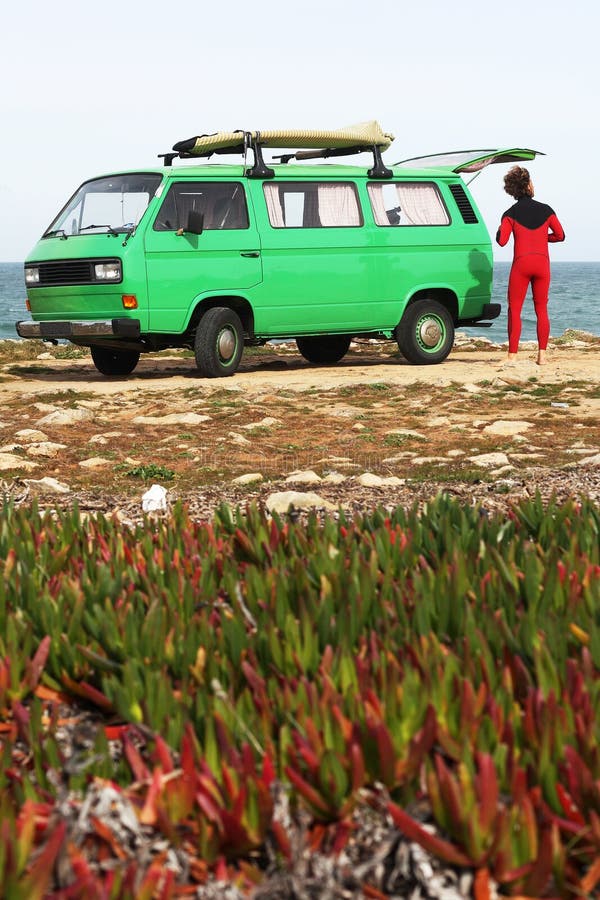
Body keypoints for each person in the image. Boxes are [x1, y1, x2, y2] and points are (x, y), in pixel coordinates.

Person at [496, 166, 565, 364]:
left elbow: (502, 241)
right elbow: (560, 235)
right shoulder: (546, 209)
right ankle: (542, 356)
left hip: (521, 265)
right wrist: (543, 239)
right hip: (542, 264)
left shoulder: (510, 213)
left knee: (515, 309)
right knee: (542, 308)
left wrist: (499, 229)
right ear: (527, 185)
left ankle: (512, 356)